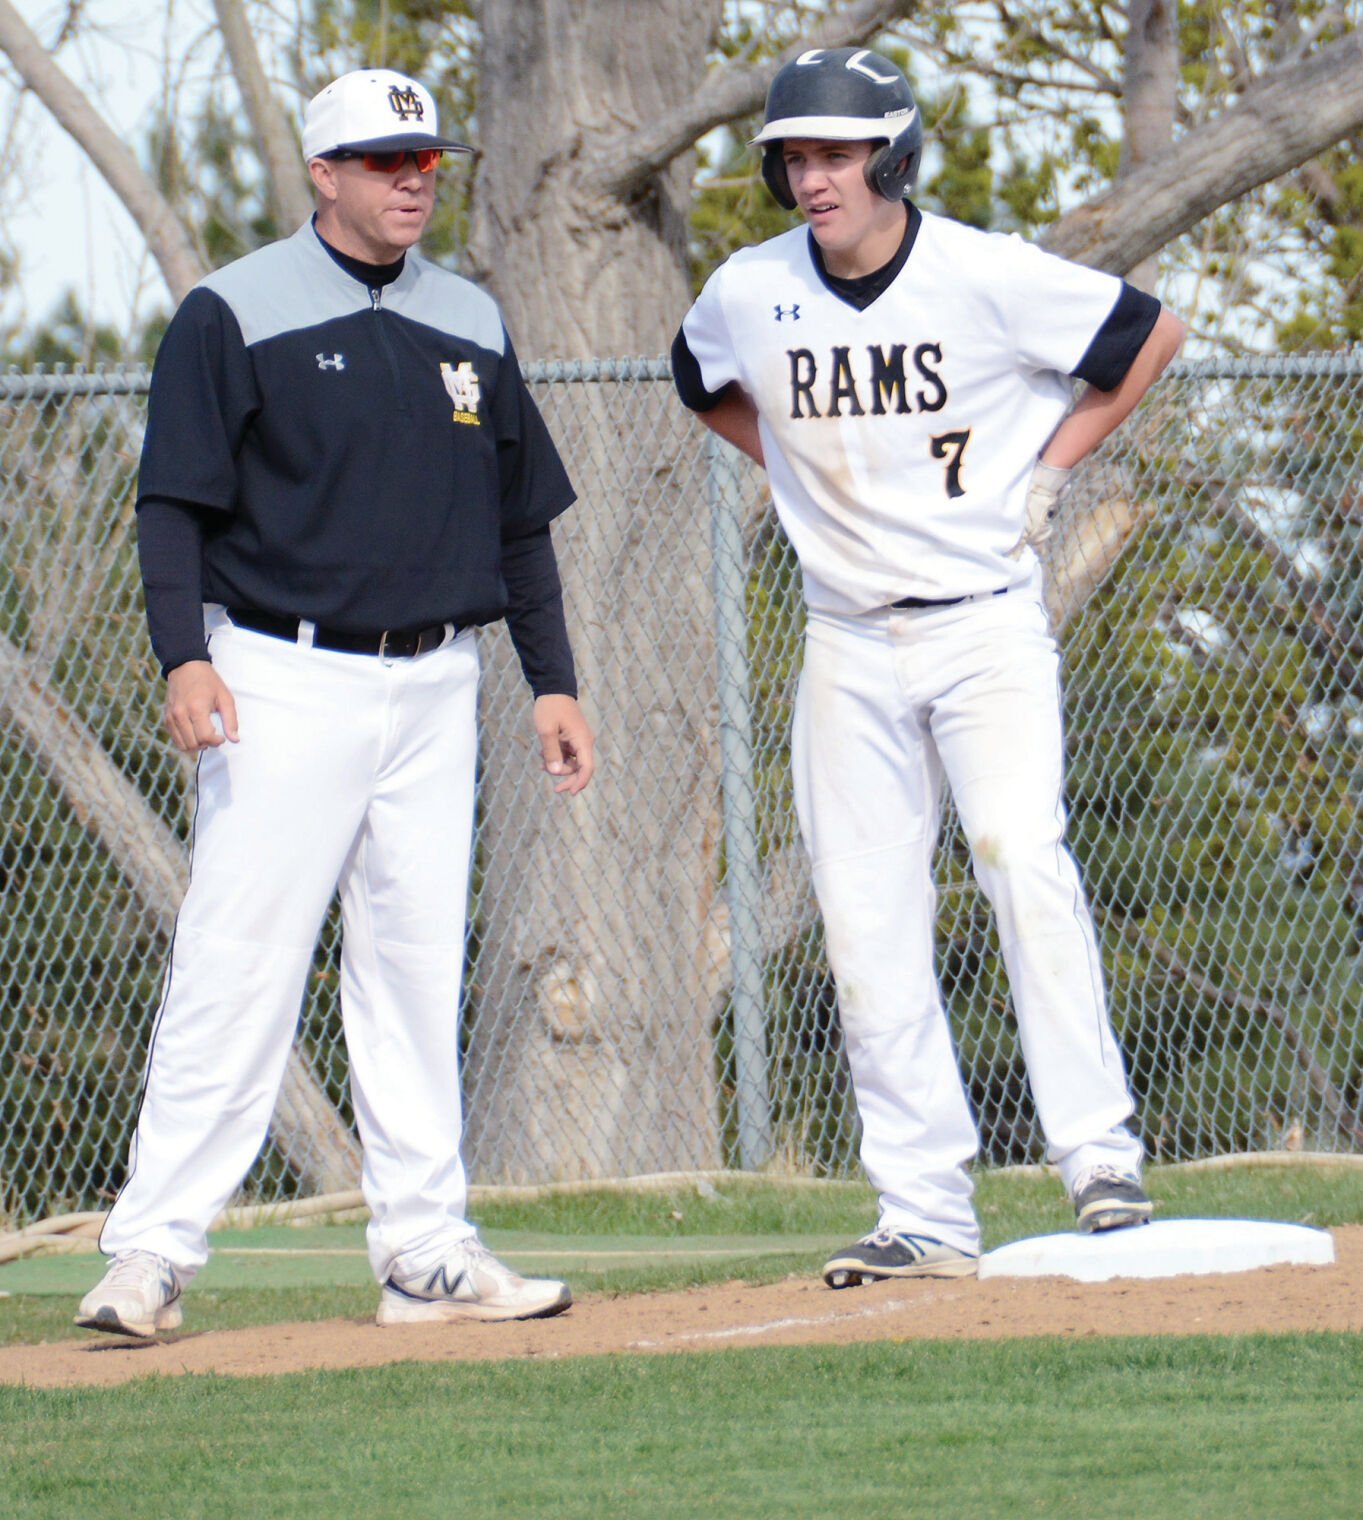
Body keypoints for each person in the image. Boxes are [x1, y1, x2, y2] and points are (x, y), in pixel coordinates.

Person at [77, 68, 594, 1337]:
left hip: (434, 681)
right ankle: (148, 1253)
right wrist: (179, 655)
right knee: (236, 963)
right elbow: (173, 505)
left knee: (416, 972)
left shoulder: (470, 316)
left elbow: (521, 525)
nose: (410, 180)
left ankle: (425, 1248)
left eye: (423, 161)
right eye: (380, 161)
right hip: (279, 673)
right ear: (323, 173)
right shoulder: (231, 308)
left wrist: (553, 680)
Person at [672, 47, 1185, 1287]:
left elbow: (1148, 332)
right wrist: (793, 469)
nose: (812, 176)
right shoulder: (750, 290)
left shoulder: (980, 272)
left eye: (837, 153)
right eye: (794, 155)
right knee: (862, 917)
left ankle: (1097, 1155)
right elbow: (697, 379)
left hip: (982, 622)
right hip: (845, 635)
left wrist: (1052, 468)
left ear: (894, 157)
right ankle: (923, 1209)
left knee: (1017, 854)